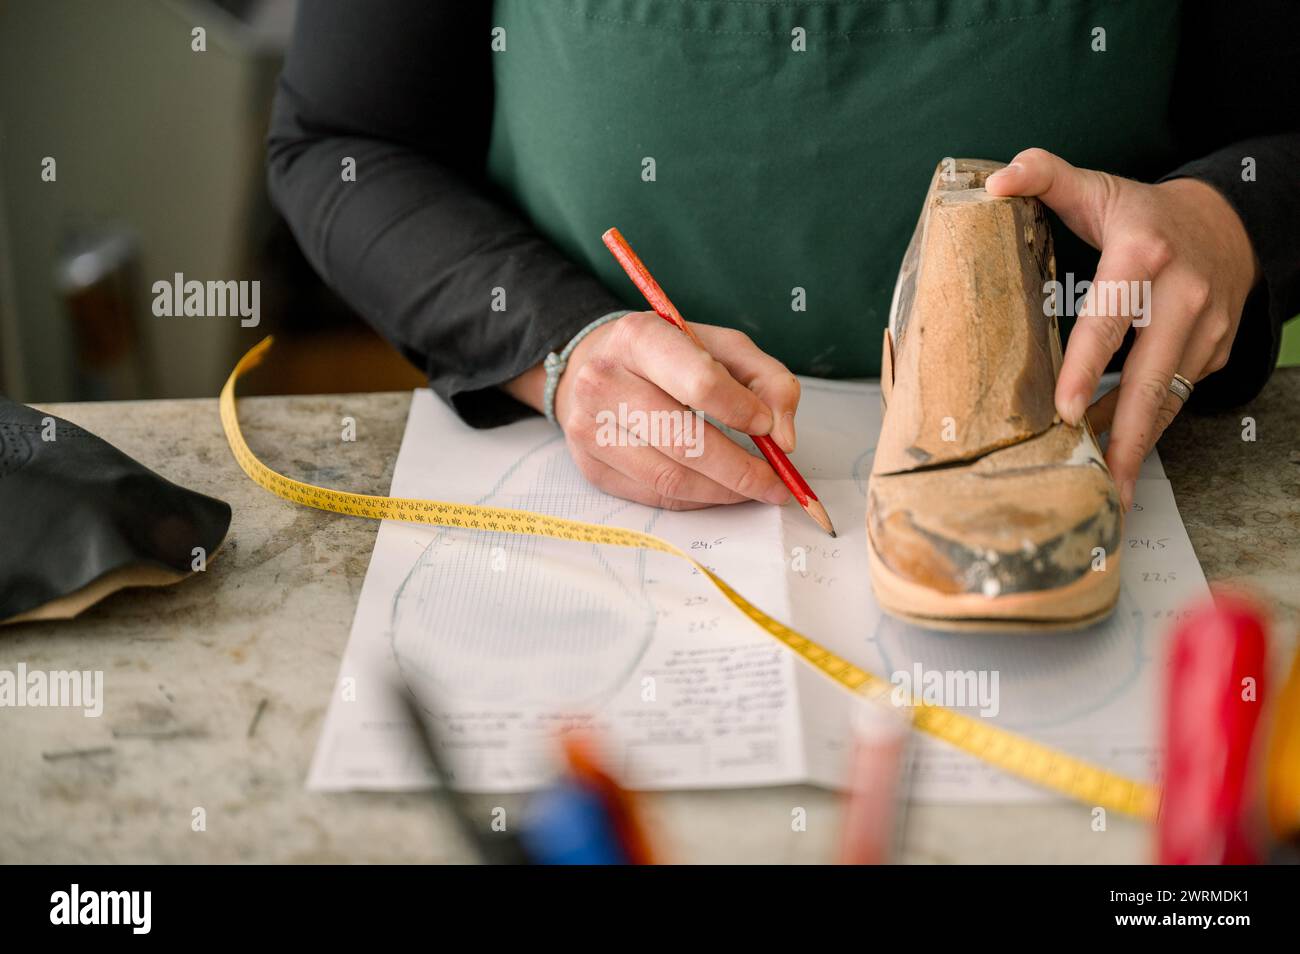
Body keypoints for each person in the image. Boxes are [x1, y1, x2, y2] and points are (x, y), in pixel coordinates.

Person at [267, 0, 1297, 514]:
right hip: (597, 477)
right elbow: (343, 142)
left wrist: (1231, 218)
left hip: (1100, 469)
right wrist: (563, 345)